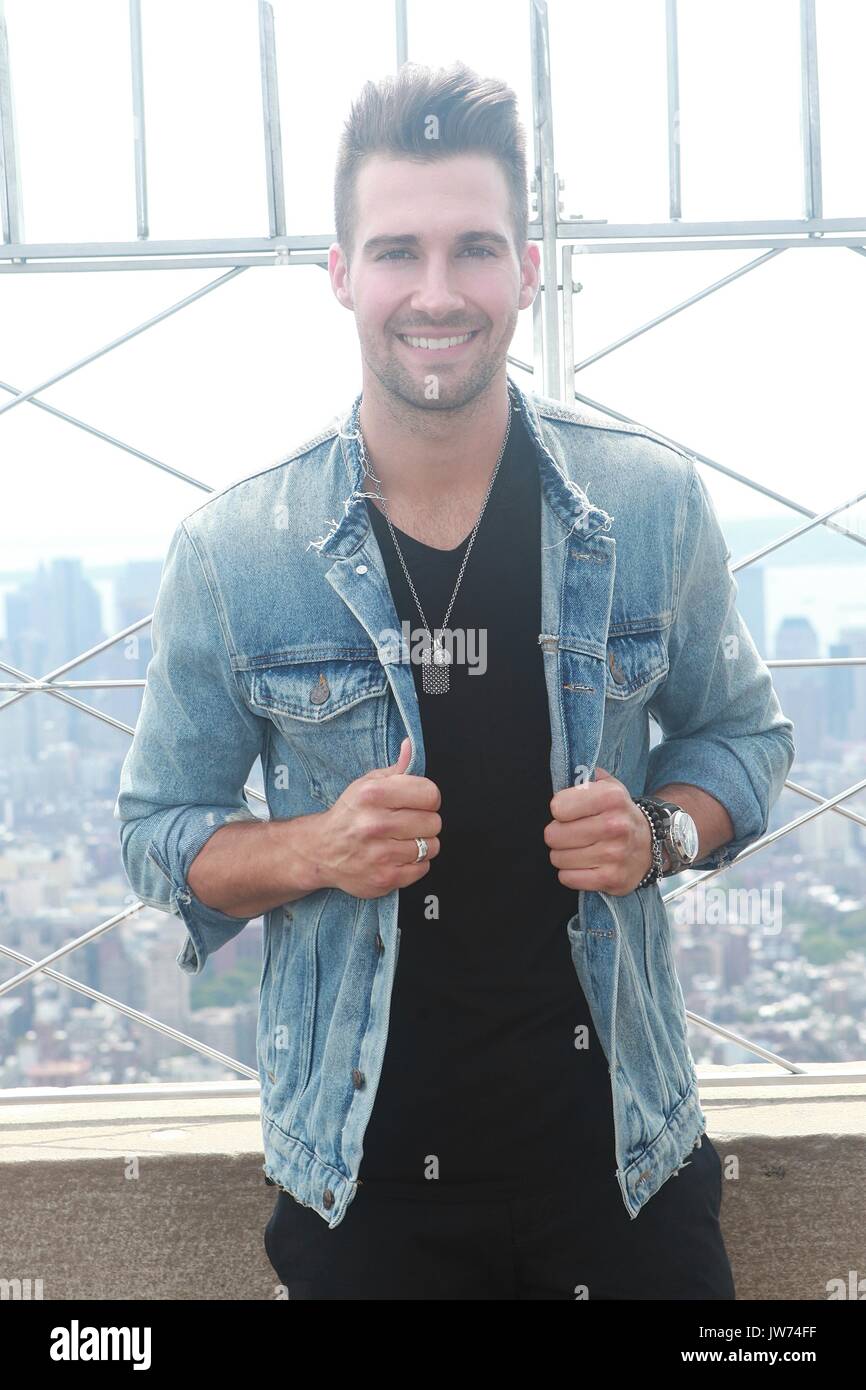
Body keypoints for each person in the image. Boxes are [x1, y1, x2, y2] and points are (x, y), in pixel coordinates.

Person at [116, 61, 795, 1300]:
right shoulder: (236, 550)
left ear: (526, 269)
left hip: (625, 1175)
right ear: (340, 275)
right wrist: (317, 848)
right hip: (365, 1197)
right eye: (396, 252)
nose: (435, 293)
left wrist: (658, 832)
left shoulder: (647, 503)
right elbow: (160, 834)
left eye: (474, 249)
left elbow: (744, 742)